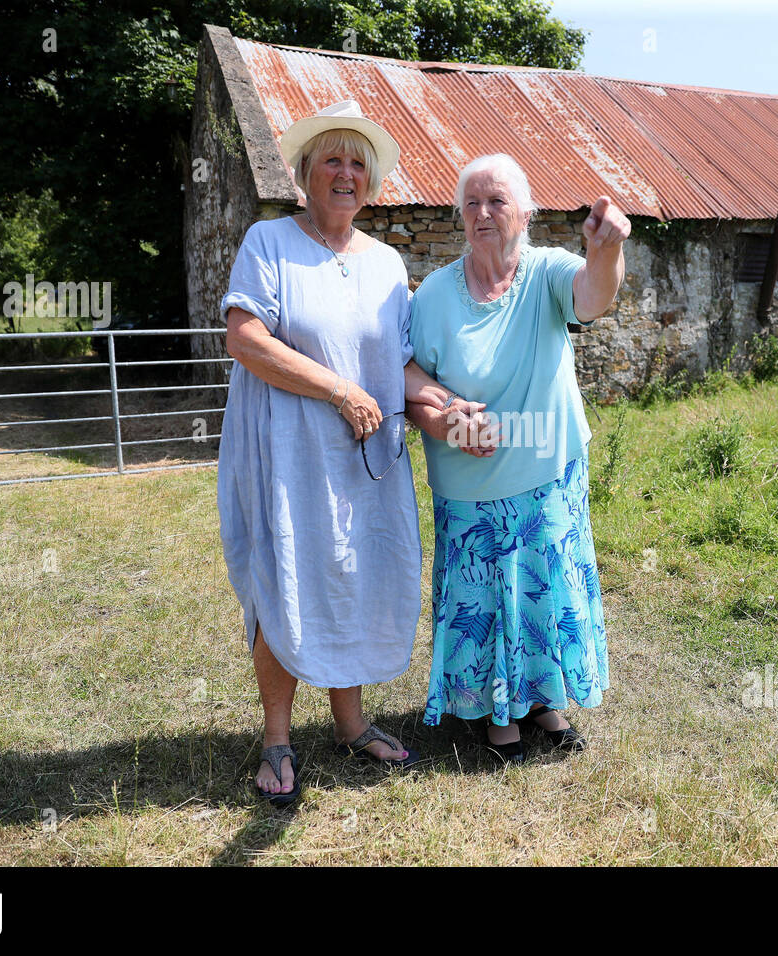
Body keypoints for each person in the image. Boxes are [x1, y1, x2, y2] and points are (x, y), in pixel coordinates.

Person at [217, 102, 456, 805]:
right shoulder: (269, 244)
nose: (346, 173)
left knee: (349, 573)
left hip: (363, 461)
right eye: (332, 159)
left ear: (372, 181)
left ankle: (351, 725)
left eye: (358, 162)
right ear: (303, 174)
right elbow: (246, 339)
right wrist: (341, 392)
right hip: (285, 455)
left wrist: (443, 403)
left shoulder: (386, 265)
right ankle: (277, 739)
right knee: (283, 578)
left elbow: (400, 365)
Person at [406, 153, 631, 763]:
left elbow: (591, 297)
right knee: (485, 597)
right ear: (459, 215)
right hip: (469, 483)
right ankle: (490, 713)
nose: (483, 213)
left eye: (497, 200)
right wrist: (446, 419)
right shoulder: (432, 298)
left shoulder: (548, 272)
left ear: (526, 213)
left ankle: (543, 702)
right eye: (472, 203)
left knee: (544, 588)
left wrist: (605, 249)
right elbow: (406, 380)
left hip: (548, 474)